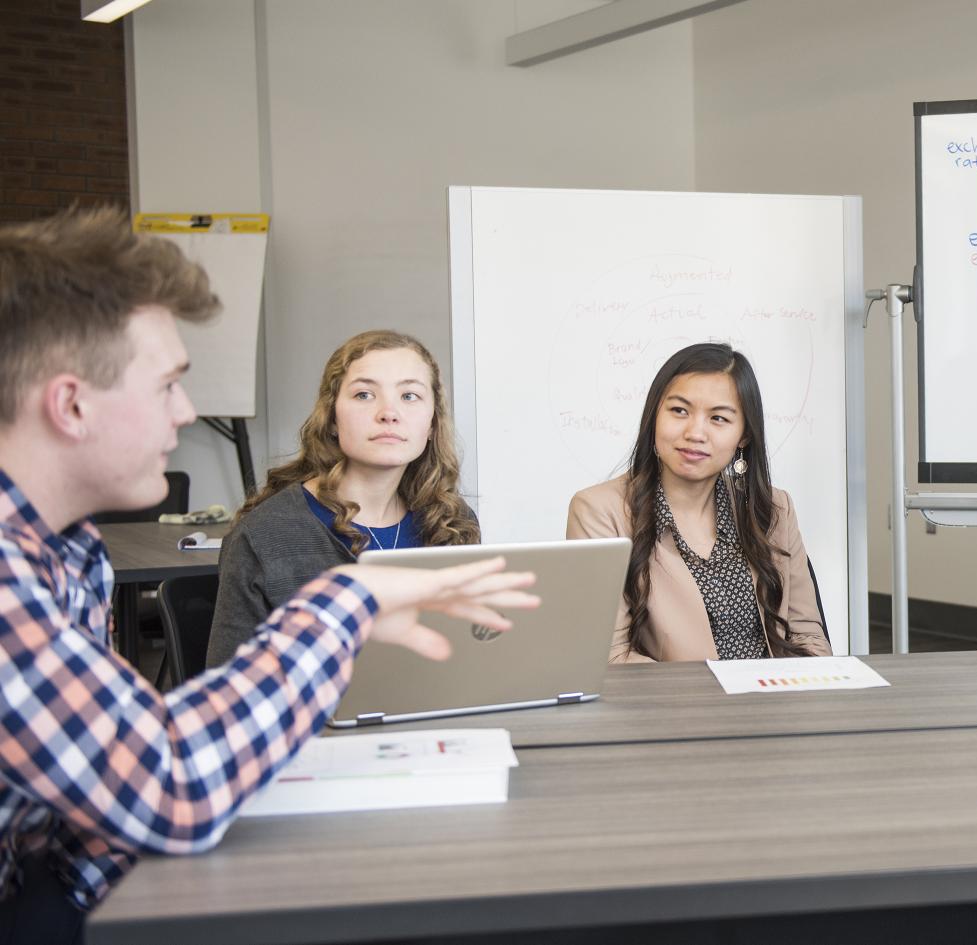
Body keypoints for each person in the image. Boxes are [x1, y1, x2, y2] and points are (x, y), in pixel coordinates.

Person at [0, 207, 537, 941]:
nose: (187, 412)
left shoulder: (65, 550)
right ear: (71, 403)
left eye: (412, 395)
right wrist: (350, 597)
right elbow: (173, 783)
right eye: (167, 386)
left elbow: (86, 811)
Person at [207, 330, 481, 666]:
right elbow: (232, 687)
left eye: (410, 396)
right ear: (332, 417)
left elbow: (469, 659)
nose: (389, 413)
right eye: (365, 394)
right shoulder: (265, 535)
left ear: (432, 421)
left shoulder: (452, 522)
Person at [566, 343, 829, 662]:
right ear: (654, 416)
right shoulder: (599, 511)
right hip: (674, 707)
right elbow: (610, 655)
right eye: (679, 411)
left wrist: (803, 692)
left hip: (773, 700)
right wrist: (717, 697)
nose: (695, 432)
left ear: (743, 436)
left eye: (718, 418)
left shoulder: (774, 509)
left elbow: (807, 635)